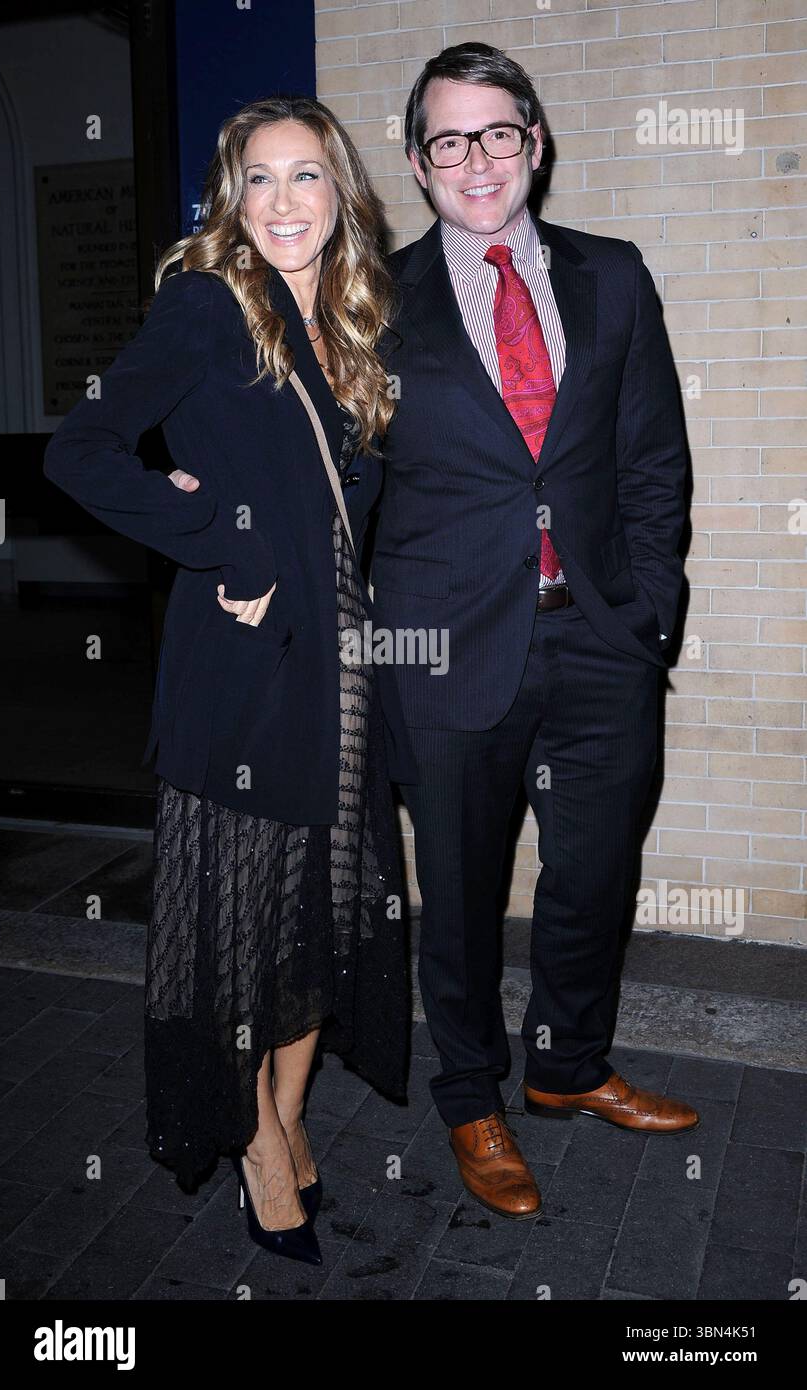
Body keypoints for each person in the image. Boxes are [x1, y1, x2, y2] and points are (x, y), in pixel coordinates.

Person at [43, 95, 418, 1265]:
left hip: (343, 683)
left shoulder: (352, 327)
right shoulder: (210, 308)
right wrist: (219, 544)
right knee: (246, 944)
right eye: (259, 179)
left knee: (324, 923)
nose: (283, 201)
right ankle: (258, 1150)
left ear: (340, 193)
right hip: (247, 680)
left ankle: (292, 1118)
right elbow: (82, 448)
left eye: (306, 176)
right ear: (231, 196)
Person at [368, 42, 699, 1220]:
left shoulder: (612, 277)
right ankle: (470, 1095)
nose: (477, 159)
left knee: (593, 875)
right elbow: (346, 486)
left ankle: (564, 1066)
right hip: (445, 653)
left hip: (602, 639)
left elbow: (653, 460)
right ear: (417, 163)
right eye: (448, 139)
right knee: (454, 891)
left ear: (534, 142)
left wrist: (651, 613)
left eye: (497, 132)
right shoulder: (375, 302)